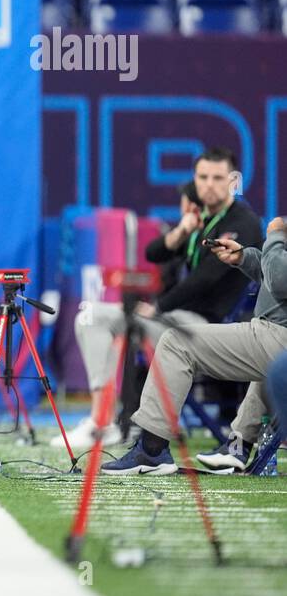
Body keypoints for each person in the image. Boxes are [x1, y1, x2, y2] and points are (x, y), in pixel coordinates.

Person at [68, 150, 262, 452]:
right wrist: (182, 231)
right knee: (90, 317)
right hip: (172, 320)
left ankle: (132, 428)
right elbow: (153, 254)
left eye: (217, 178)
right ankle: (101, 417)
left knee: (134, 326)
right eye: (202, 177)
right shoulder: (201, 220)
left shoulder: (243, 221)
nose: (209, 184)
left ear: (233, 181)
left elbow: (205, 279)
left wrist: (158, 307)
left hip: (205, 327)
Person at [103, 215, 287, 475]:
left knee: (176, 342)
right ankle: (238, 446)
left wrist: (276, 234)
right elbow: (277, 273)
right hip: (277, 337)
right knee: (267, 368)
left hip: (279, 334)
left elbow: (280, 279)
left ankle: (151, 450)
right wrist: (245, 258)